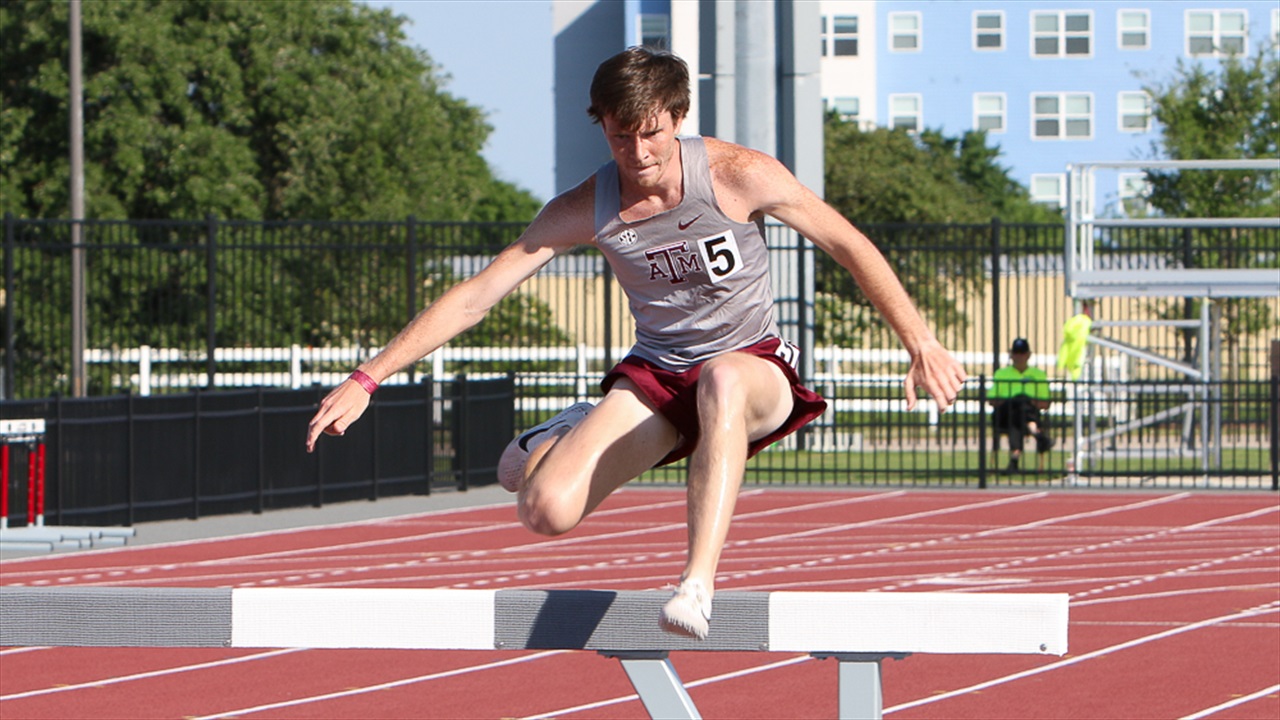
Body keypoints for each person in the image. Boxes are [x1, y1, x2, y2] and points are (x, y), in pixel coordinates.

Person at [306, 47, 967, 640]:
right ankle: (567, 429)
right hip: (658, 376)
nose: (639, 153)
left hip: (752, 364)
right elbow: (479, 294)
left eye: (651, 133)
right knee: (544, 511)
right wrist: (369, 377)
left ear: (678, 118)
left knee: (723, 380)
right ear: (602, 126)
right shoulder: (586, 206)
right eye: (620, 136)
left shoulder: (739, 174)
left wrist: (920, 342)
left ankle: (696, 584)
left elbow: (848, 244)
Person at [989, 338, 1053, 472]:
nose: (1019, 356)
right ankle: (1037, 434)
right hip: (1004, 414)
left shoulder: (1038, 375)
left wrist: (1029, 401)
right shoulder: (1001, 374)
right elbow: (992, 400)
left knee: (1018, 412)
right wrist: (1012, 401)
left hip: (1020, 416)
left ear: (1028, 355)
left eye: (1022, 353)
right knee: (1018, 403)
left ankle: (1015, 458)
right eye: (1016, 353)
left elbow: (1045, 403)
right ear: (1011, 355)